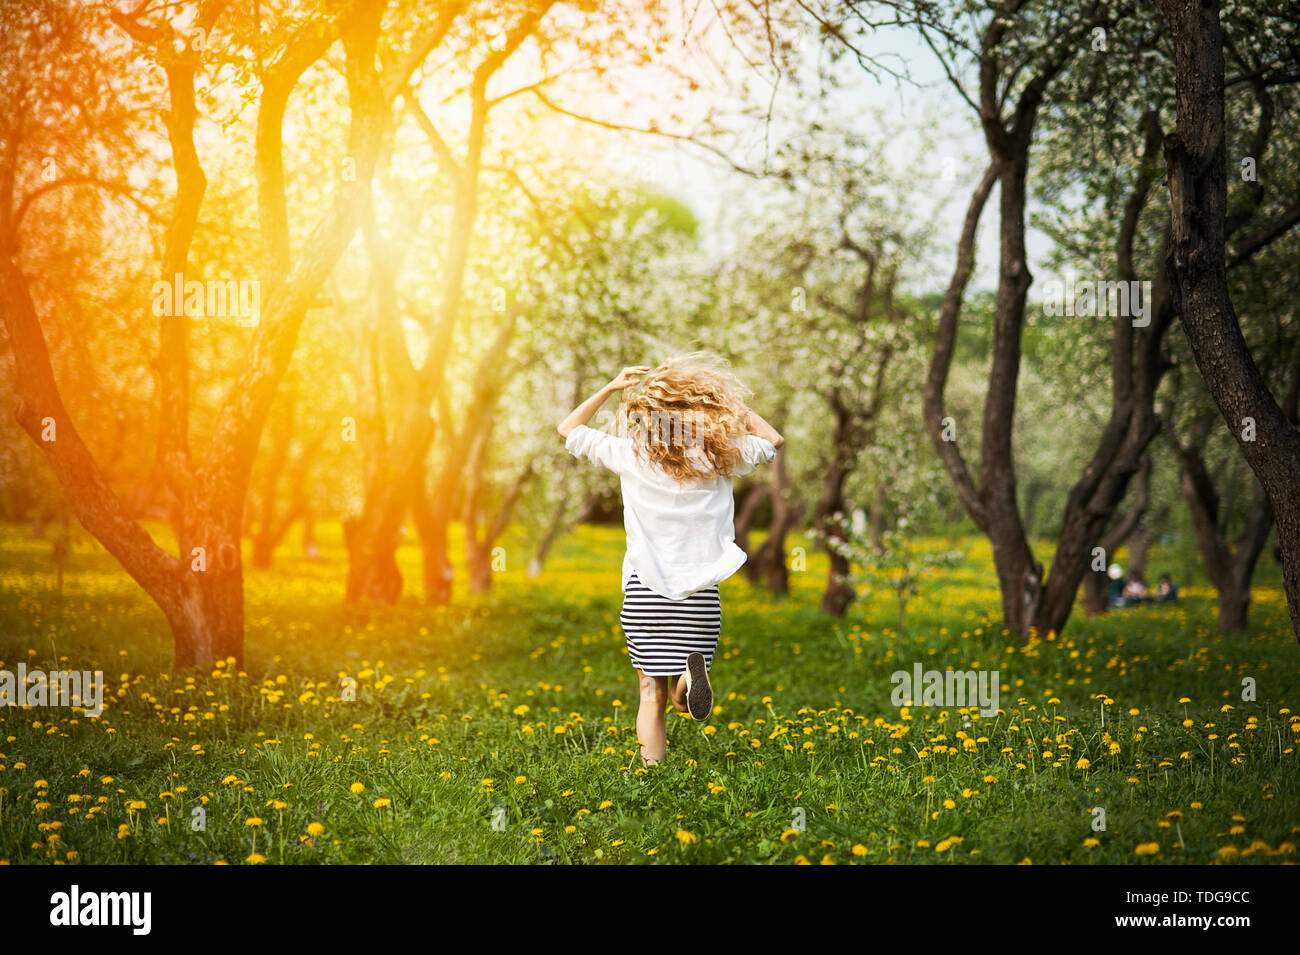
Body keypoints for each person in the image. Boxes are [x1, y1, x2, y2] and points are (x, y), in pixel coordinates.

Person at [557, 353, 783, 767]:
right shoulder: (719, 456)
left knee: (649, 694)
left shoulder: (629, 454)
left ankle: (654, 778)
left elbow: (569, 428)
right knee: (680, 682)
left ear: (648, 412)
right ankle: (687, 678)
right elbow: (773, 441)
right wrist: (732, 406)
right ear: (697, 411)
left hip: (645, 590)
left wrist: (611, 387)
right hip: (699, 591)